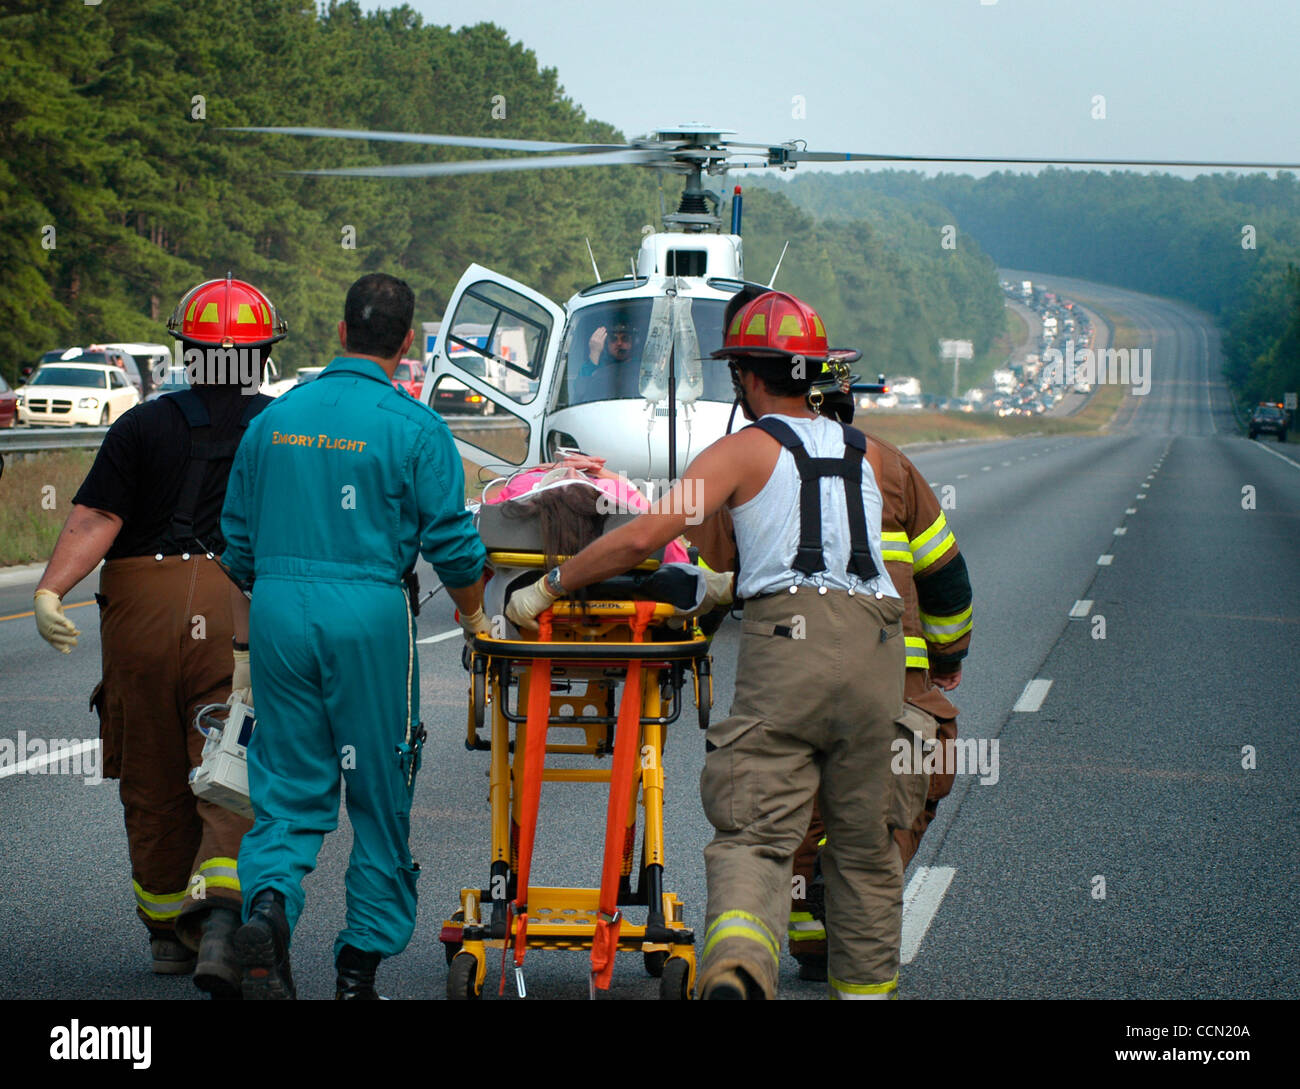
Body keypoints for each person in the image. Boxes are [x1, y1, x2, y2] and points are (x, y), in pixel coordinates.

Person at [507, 289, 908, 1000]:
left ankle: (739, 973)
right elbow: (824, 543)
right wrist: (732, 580)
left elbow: (641, 535)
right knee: (863, 850)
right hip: (879, 646)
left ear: (747, 376)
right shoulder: (866, 452)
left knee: (755, 833)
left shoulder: (741, 451)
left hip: (791, 644)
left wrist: (550, 586)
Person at [219, 273, 488, 1000]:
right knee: (377, 790)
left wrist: (272, 586)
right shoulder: (415, 427)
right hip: (368, 614)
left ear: (340, 333)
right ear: (407, 344)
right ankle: (356, 968)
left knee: (286, 781)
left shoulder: (274, 421)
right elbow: (455, 546)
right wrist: (473, 615)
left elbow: (235, 539)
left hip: (278, 605)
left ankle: (269, 909)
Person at [32, 275, 285, 997]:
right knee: (230, 764)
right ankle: (217, 925)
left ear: (188, 351)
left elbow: (95, 521)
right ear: (263, 353)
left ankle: (164, 937)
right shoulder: (279, 427)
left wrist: (52, 589)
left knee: (149, 776)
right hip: (237, 606)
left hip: (141, 608)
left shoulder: (140, 426)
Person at [575, 317, 637, 401]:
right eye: (613, 339)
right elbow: (580, 392)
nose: (619, 343)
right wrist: (594, 353)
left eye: (624, 338)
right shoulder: (597, 365)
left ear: (633, 342)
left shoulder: (642, 366)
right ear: (606, 343)